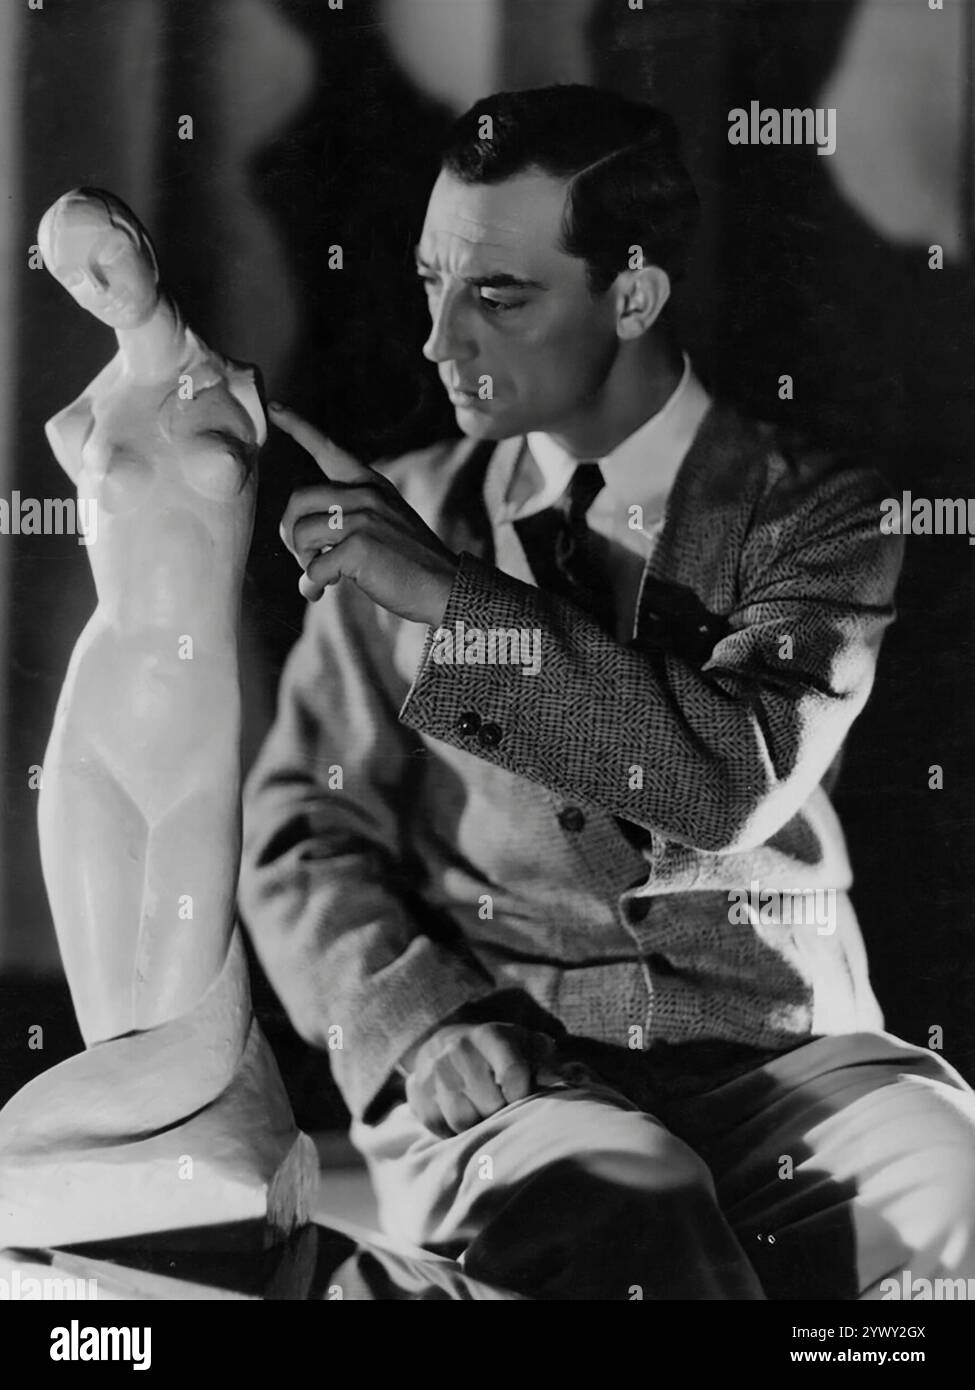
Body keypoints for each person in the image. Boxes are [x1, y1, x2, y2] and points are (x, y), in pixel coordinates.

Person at [239, 86, 975, 1300]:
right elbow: (300, 835)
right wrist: (420, 1023)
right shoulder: (410, 510)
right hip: (521, 1072)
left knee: (955, 1194)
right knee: (637, 1207)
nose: (439, 342)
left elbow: (731, 775)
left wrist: (454, 600)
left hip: (785, 1059)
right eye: (431, 282)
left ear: (632, 295)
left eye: (498, 295)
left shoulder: (822, 516)